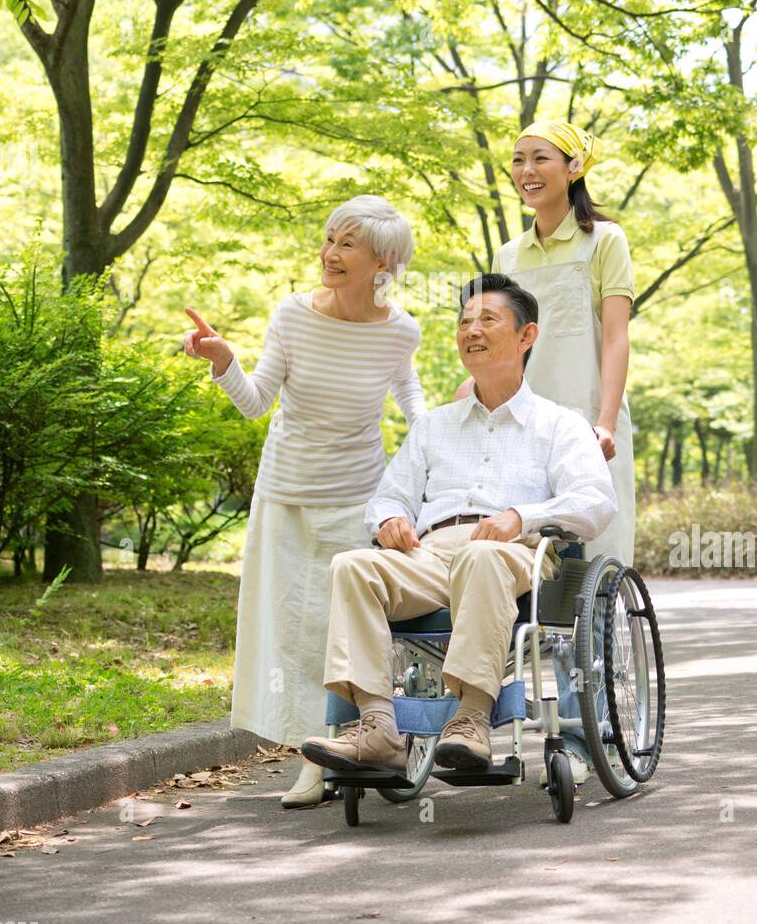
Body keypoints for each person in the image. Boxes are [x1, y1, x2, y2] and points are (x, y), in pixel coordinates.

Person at [300, 274, 617, 775]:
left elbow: (596, 502)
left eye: (487, 320)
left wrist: (521, 517)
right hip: (430, 555)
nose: (472, 330)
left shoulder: (560, 424)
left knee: (482, 555)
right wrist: (390, 520)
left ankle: (471, 720)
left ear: (526, 336)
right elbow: (387, 495)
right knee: (353, 565)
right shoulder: (433, 426)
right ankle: (378, 728)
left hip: (516, 552)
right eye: (465, 321)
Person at [183, 196, 425, 806]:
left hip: (358, 497)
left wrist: (440, 457)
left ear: (383, 262)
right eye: (328, 239)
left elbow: (414, 407)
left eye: (347, 244)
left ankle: (364, 746)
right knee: (292, 632)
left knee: (342, 631)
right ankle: (311, 762)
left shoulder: (401, 330)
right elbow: (257, 401)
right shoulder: (292, 315)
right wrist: (224, 361)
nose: (330, 253)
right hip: (287, 495)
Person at [490, 120, 636, 779]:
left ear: (573, 167)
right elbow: (499, 350)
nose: (525, 170)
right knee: (533, 582)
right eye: (517, 160)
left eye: (539, 158)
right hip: (525, 438)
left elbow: (613, 339)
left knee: (586, 580)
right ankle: (539, 726)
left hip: (590, 431)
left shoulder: (604, 240)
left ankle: (587, 733)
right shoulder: (508, 252)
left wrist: (603, 422)